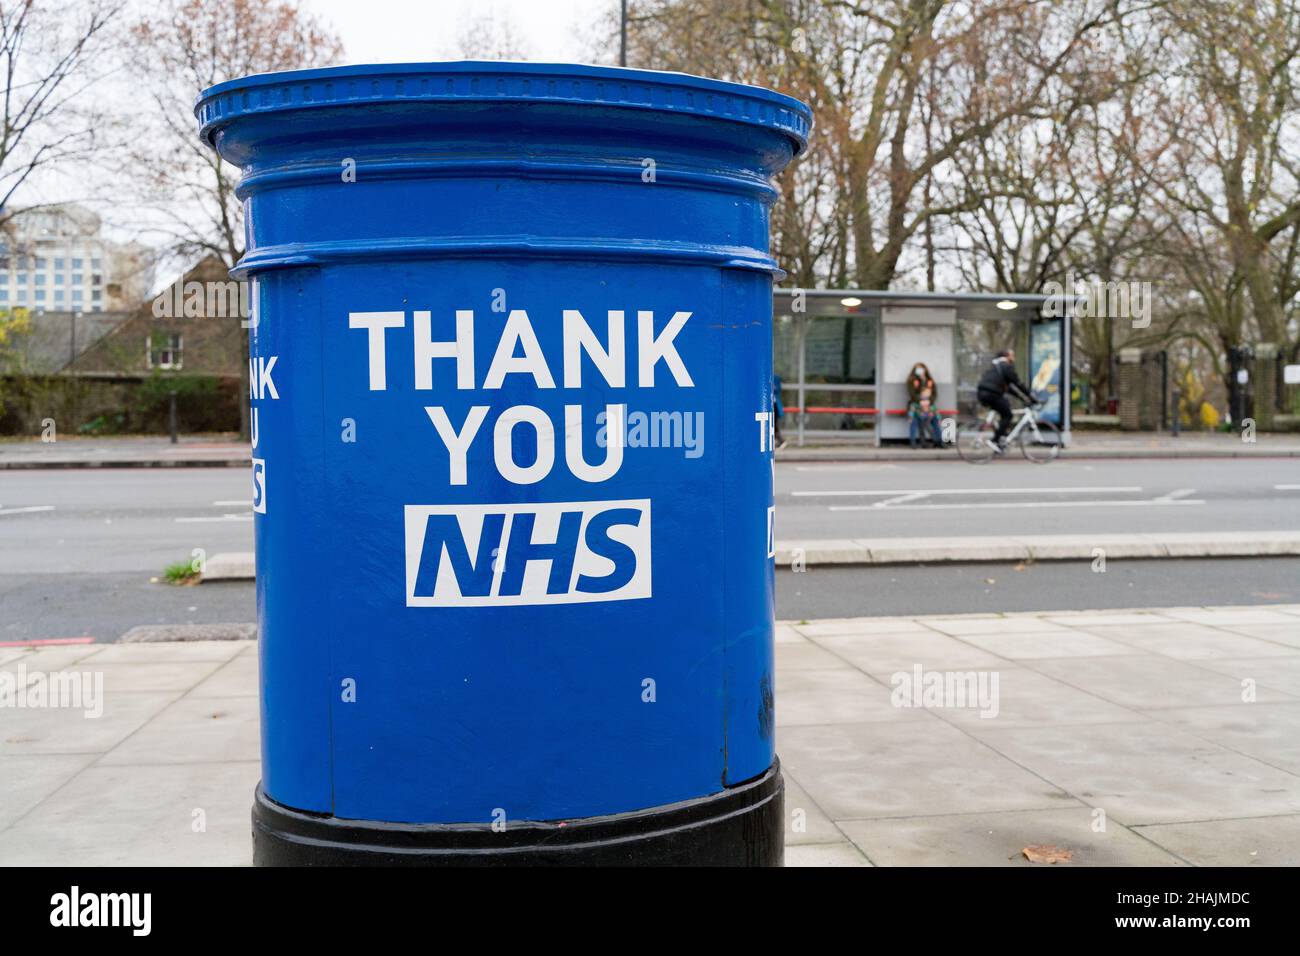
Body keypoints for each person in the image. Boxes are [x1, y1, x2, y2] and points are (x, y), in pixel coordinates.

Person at [976, 349, 1036, 451]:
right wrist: (1030, 397)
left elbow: (1010, 389)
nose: (1014, 358)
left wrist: (1023, 399)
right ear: (1007, 356)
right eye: (1012, 355)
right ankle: (995, 440)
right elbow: (1018, 384)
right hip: (992, 394)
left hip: (983, 393)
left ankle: (1000, 441)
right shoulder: (1006, 367)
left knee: (1004, 412)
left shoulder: (995, 367)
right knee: (1008, 415)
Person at [772, 373, 786, 449]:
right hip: (773, 405)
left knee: (774, 425)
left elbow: (777, 389)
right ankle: (780, 440)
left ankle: (781, 440)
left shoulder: (776, 379)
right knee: (774, 426)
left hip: (774, 405)